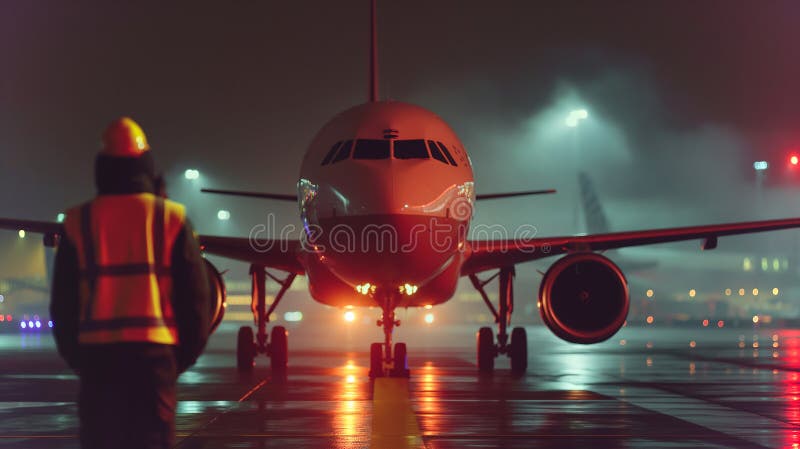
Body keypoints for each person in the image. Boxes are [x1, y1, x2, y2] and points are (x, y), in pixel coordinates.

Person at [50, 117, 212, 449]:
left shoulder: (78, 221)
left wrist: (80, 361)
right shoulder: (172, 218)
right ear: (147, 164)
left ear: (101, 165)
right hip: (153, 364)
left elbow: (62, 308)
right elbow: (197, 303)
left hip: (98, 363)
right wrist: (174, 362)